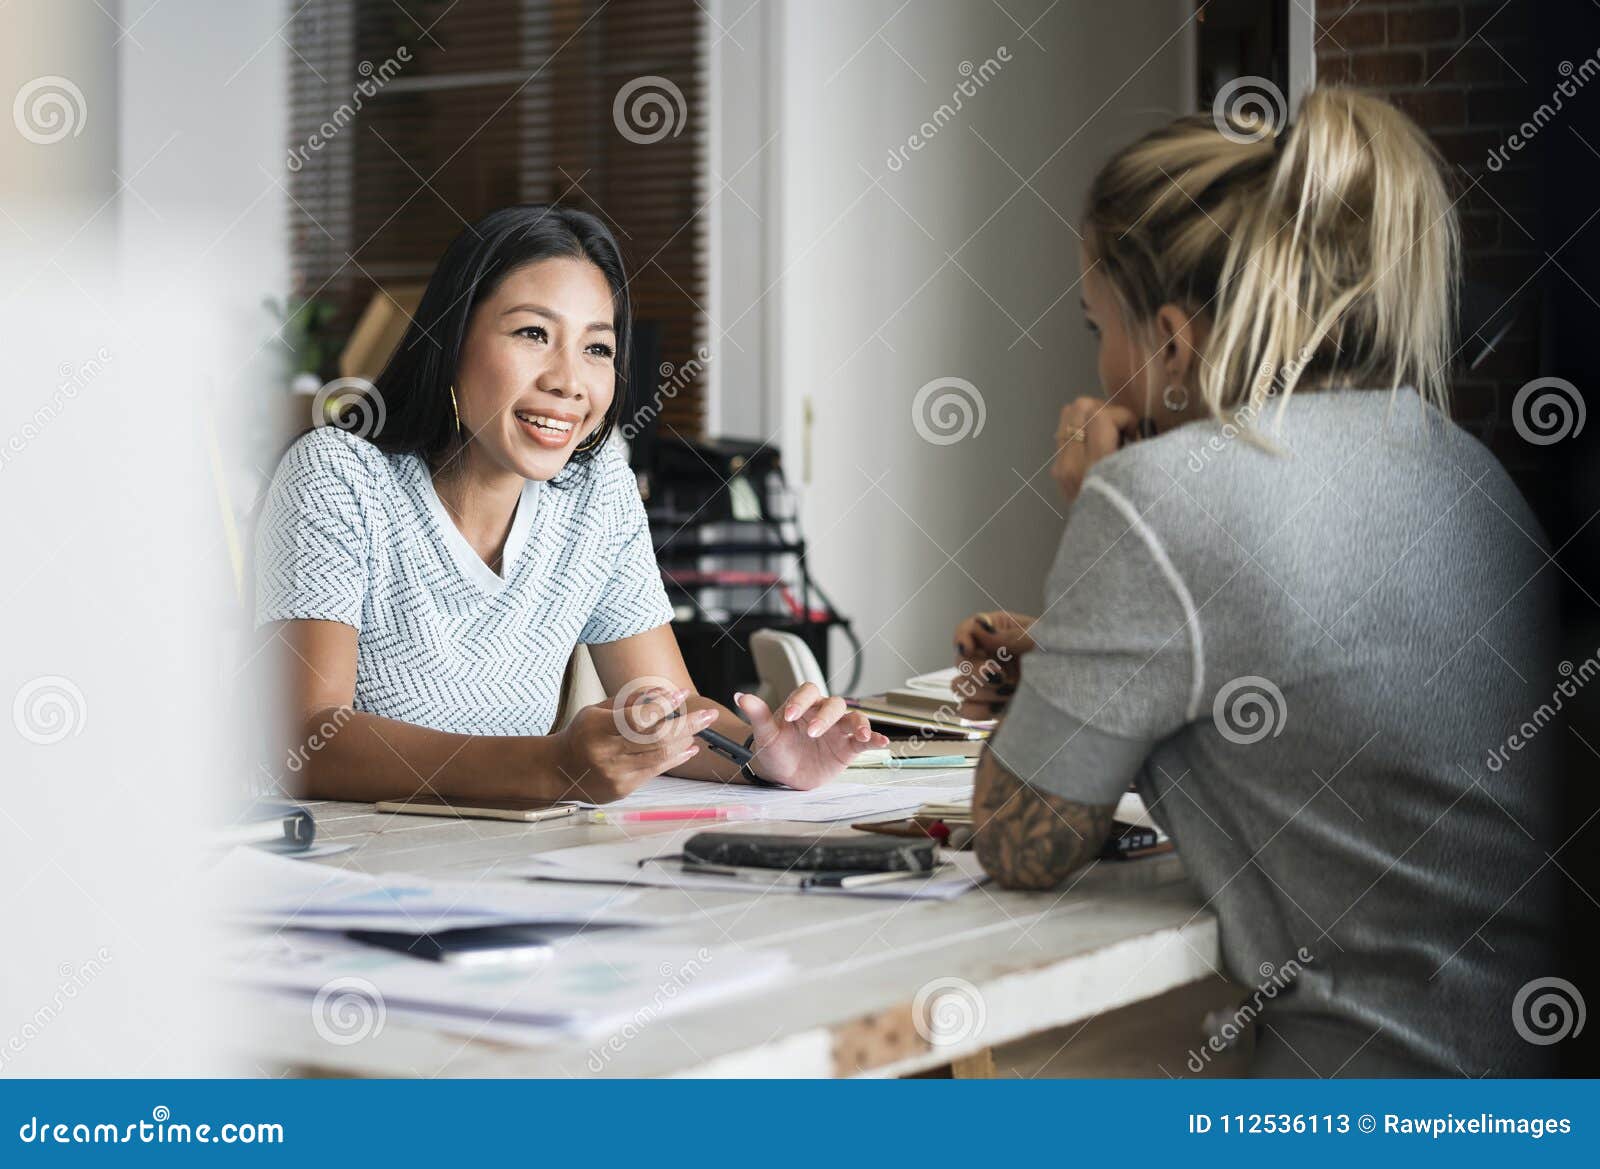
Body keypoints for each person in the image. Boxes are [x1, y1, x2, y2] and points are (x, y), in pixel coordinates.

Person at [956, 88, 1559, 1076]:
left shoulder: (1156, 495)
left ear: (1171, 342)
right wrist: (1079, 661)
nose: (1098, 367)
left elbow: (1022, 846)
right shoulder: (1456, 458)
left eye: (1094, 324)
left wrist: (1103, 495)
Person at [256, 205, 887, 805]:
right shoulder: (338, 476)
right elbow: (308, 742)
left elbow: (666, 712)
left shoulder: (596, 491)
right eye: (533, 333)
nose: (568, 381)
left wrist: (761, 756)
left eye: (597, 348)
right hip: (357, 878)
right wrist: (550, 766)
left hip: (523, 866)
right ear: (450, 341)